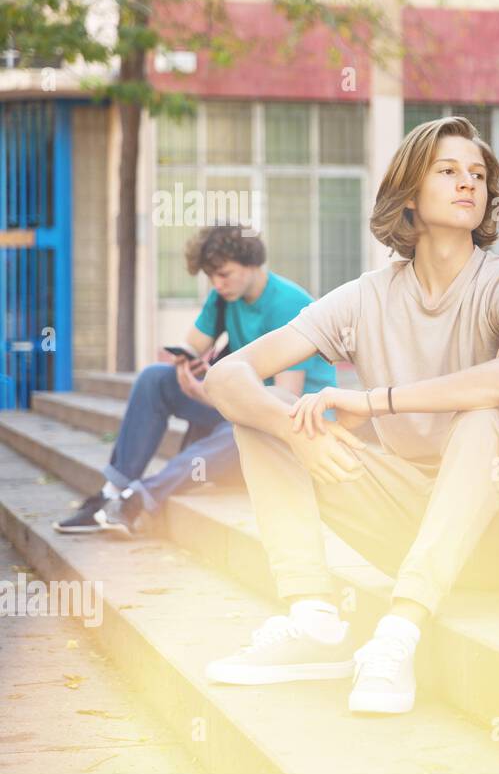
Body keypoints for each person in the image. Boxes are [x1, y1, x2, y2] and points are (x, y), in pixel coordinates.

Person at [202, 116, 499, 716]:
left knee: (479, 420)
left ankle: (399, 634)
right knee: (268, 419)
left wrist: (374, 401)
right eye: (447, 172)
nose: (468, 184)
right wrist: (297, 435)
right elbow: (227, 374)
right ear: (409, 197)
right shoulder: (366, 296)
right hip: (412, 522)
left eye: (477, 174)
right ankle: (314, 617)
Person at [52, 224, 334, 538]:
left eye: (224, 274)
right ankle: (112, 491)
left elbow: (283, 401)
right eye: (211, 277)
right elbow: (193, 346)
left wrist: (211, 396)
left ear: (252, 264)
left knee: (245, 422)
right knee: (154, 378)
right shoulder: (224, 297)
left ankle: (138, 500)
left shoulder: (288, 304)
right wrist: (186, 364)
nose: (217, 284)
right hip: (244, 406)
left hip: (295, 425)